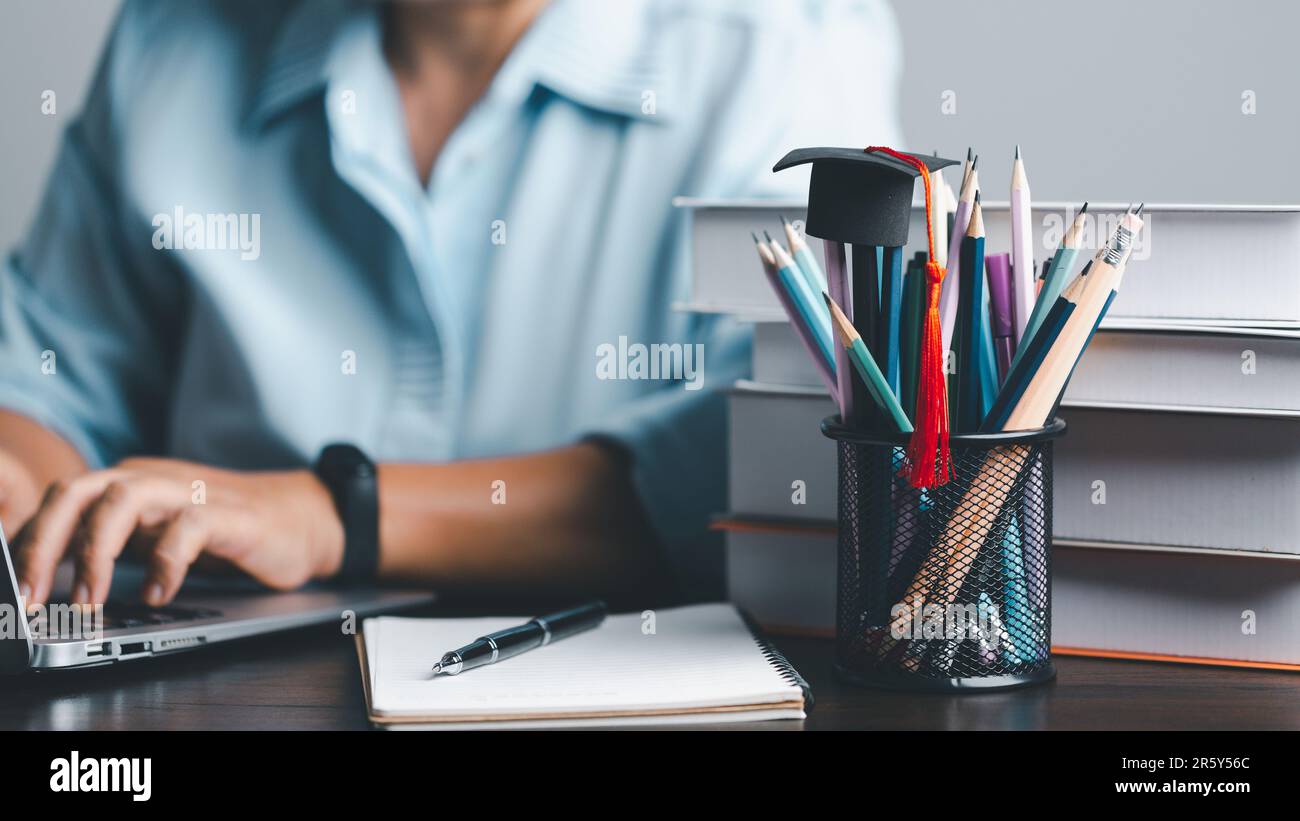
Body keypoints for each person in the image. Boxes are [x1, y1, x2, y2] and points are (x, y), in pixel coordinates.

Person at [0, 0, 903, 609]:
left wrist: (334, 516)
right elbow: (53, 381)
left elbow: (796, 453)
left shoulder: (781, 51)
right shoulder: (170, 41)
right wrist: (18, 475)